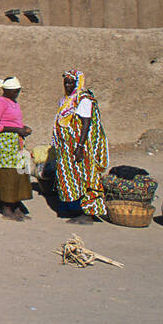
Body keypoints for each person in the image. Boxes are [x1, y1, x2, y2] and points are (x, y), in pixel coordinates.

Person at [51, 69, 110, 223]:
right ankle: (76, 208)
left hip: (79, 147)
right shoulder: (66, 100)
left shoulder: (83, 100)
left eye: (71, 83)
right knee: (73, 177)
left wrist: (79, 147)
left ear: (77, 83)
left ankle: (88, 213)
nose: (68, 86)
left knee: (85, 176)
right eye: (66, 83)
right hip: (67, 147)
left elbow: (85, 124)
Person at [0, 77, 32, 221]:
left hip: (16, 143)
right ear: (6, 90)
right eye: (14, 91)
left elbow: (14, 121)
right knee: (8, 174)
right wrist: (16, 130)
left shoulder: (13, 103)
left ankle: (17, 205)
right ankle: (7, 208)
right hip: (5, 144)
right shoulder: (0, 103)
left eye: (17, 91)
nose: (16, 94)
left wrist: (23, 128)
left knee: (21, 172)